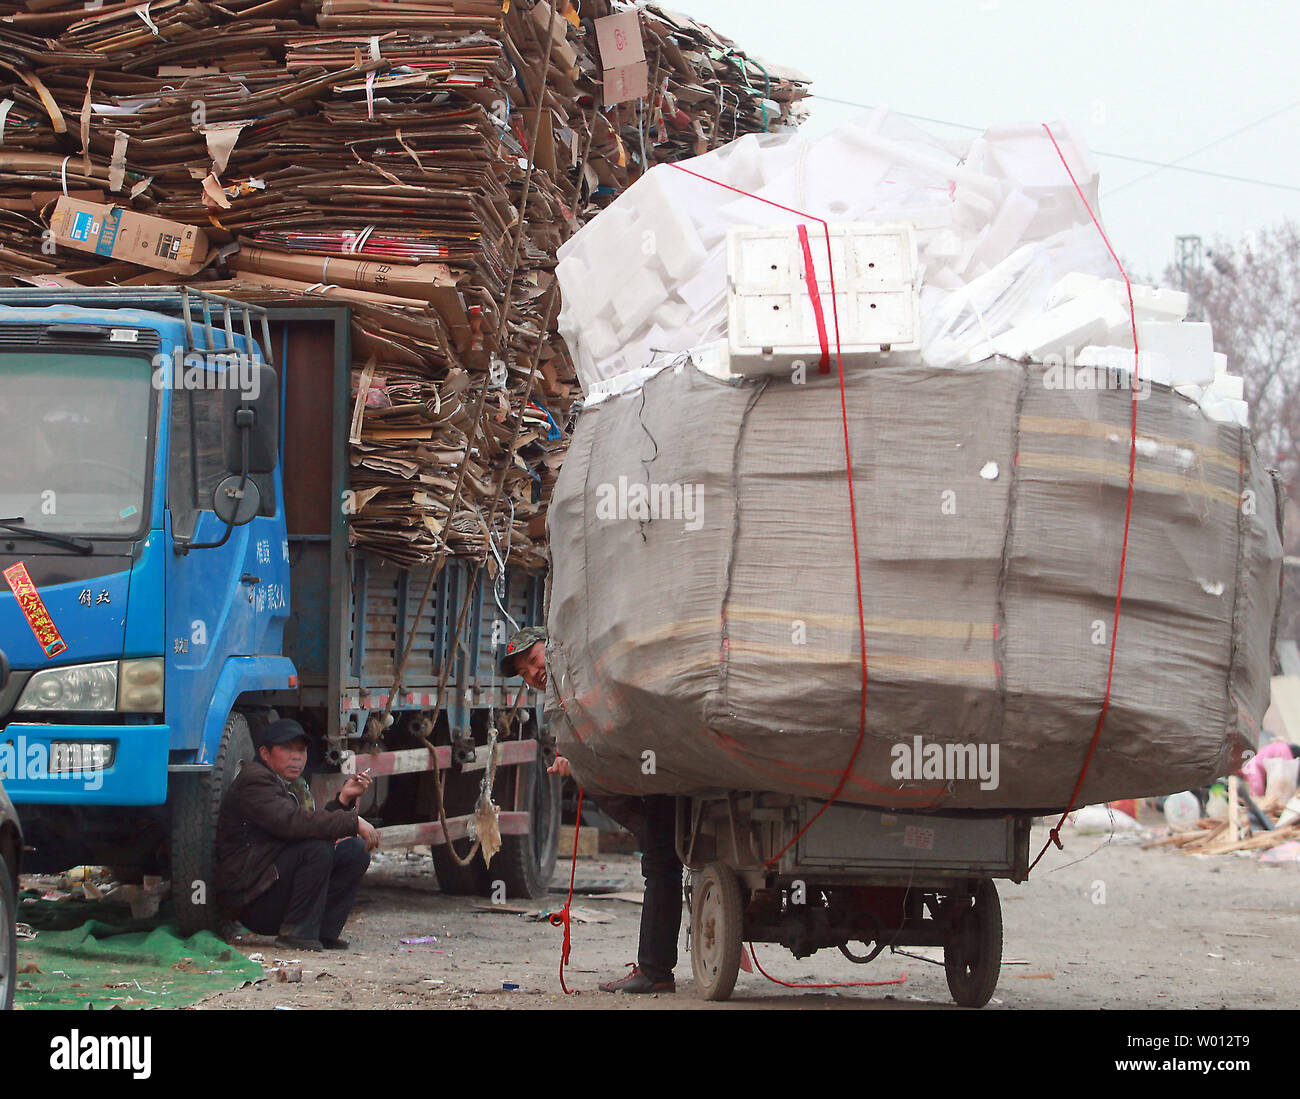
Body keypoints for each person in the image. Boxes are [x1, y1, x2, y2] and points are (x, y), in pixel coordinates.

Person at [501, 627, 683, 994]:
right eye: (524, 673)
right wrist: (576, 762)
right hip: (645, 780)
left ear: (549, 649)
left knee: (662, 865)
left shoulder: (582, 680)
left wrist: (583, 762)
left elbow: (615, 729)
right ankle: (656, 968)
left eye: (534, 661)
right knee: (662, 864)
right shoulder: (561, 695)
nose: (533, 673)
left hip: (657, 776)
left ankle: (656, 971)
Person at [215, 717, 380, 951]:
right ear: (265, 753)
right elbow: (291, 824)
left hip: (272, 888)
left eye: (301, 750)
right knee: (316, 849)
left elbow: (307, 825)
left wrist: (343, 800)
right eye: (287, 749)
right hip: (252, 900)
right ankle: (296, 933)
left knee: (354, 852)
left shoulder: (291, 784)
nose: (297, 757)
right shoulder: (254, 781)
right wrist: (352, 822)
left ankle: (322, 932)